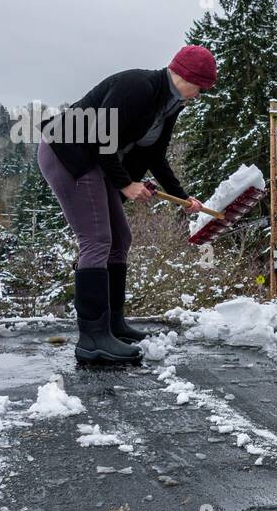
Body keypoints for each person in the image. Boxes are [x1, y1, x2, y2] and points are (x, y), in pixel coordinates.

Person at [38, 45, 217, 365]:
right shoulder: (138, 86)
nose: (200, 94)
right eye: (200, 86)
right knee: (96, 240)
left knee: (121, 238)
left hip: (93, 159)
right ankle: (92, 339)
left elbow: (155, 157)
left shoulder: (170, 105)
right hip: (67, 153)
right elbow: (101, 137)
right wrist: (125, 183)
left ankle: (113, 324)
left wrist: (183, 197)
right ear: (185, 76)